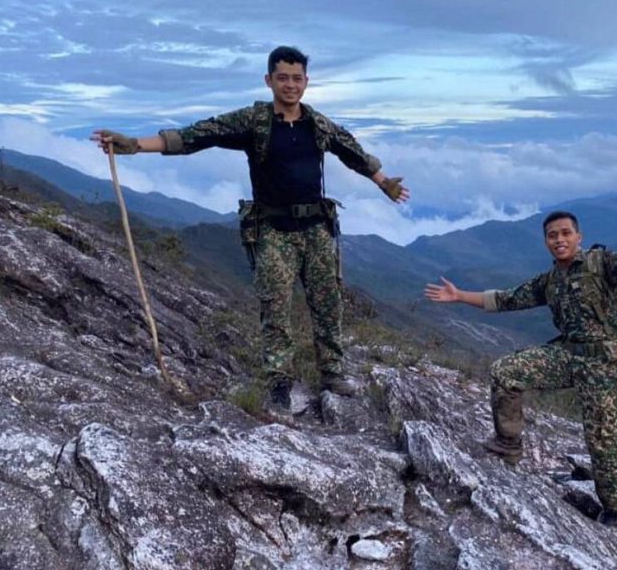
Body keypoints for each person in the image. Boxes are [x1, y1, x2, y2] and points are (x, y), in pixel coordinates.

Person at [93, 45, 408, 412]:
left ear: (306, 81)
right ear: (269, 80)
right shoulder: (253, 122)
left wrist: (384, 182)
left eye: (297, 78)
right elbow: (197, 135)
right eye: (283, 78)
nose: (291, 85)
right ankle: (278, 382)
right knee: (275, 308)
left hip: (317, 228)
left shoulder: (317, 124)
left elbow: (352, 152)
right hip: (273, 230)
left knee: (328, 303)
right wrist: (135, 145)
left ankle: (333, 372)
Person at [424, 211, 617, 526]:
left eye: (566, 233)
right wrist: (459, 296)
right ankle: (508, 445)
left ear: (578, 237)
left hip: (605, 363)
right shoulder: (551, 281)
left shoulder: (604, 264)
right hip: (569, 355)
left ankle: (614, 508)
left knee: (602, 439)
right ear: (545, 241)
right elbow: (507, 299)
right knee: (506, 372)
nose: (559, 240)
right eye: (552, 235)